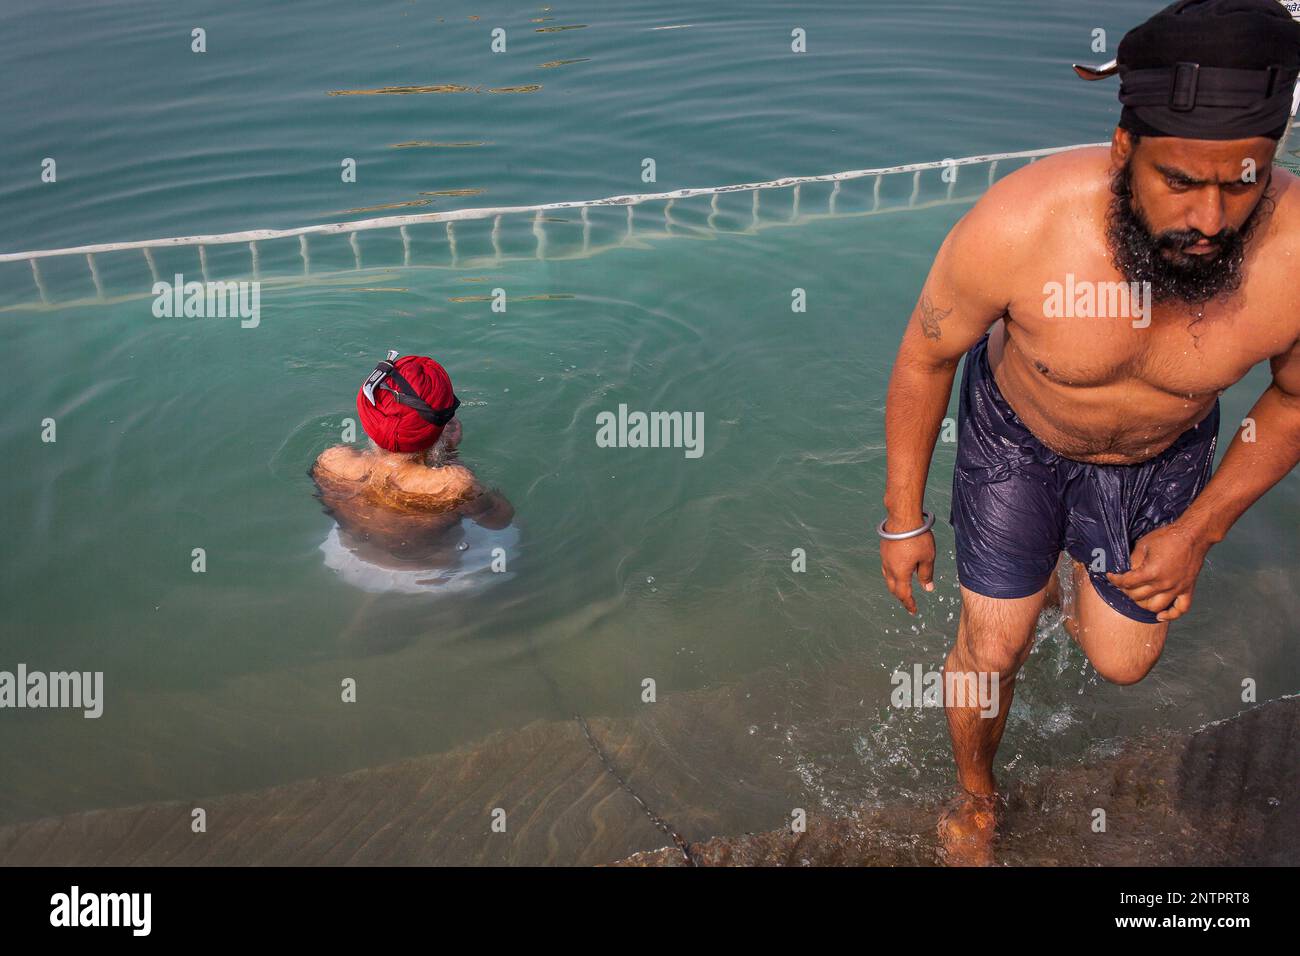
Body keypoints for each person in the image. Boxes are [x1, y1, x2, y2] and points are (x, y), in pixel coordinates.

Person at [877, 0, 1300, 864]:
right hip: (1017, 439)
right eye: (1180, 182)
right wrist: (902, 517)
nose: (1212, 220)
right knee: (996, 642)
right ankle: (975, 795)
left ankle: (1079, 572)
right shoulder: (1021, 224)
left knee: (1122, 662)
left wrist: (1197, 532)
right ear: (1123, 152)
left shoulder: (1294, 256)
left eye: (1243, 181)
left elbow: (1293, 401)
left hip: (1161, 453)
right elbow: (923, 357)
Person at [312, 352, 513, 573]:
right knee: (517, 536)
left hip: (348, 561)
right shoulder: (454, 484)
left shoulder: (332, 461)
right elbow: (499, 519)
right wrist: (448, 453)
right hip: (428, 576)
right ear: (443, 422)